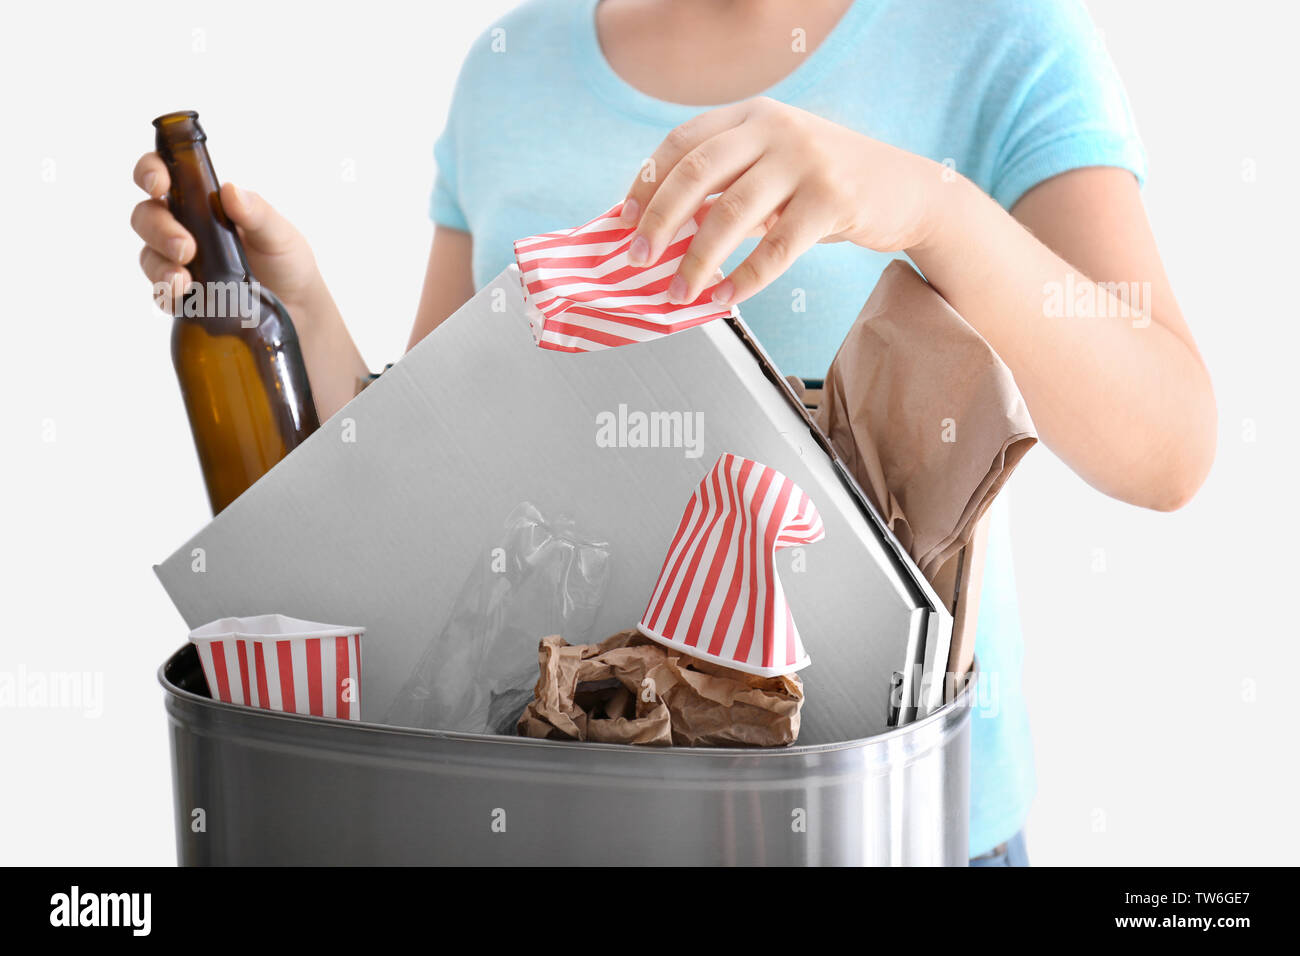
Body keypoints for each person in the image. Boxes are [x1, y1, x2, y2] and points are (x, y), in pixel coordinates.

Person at [130, 0, 1216, 865]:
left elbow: (1169, 446)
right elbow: (431, 465)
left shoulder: (995, 31)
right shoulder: (511, 63)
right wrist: (301, 312)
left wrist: (925, 207)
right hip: (545, 814)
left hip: (878, 831)